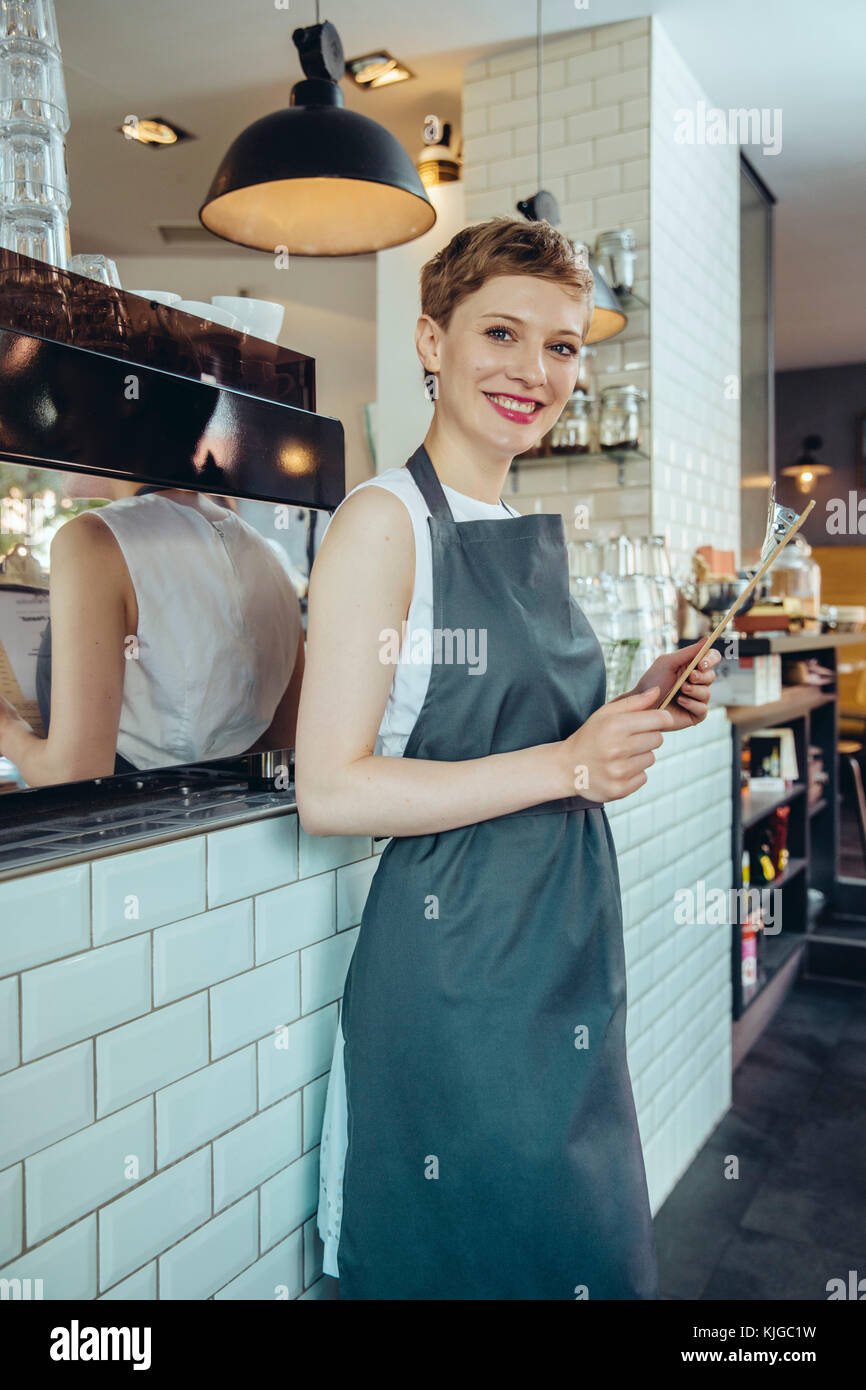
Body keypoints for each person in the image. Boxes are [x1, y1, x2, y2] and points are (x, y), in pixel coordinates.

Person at [294, 216, 721, 1300]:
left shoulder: (511, 516)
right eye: (501, 333)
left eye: (564, 345)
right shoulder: (380, 525)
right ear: (430, 341)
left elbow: (526, 741)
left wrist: (636, 703)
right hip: (457, 971)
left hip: (561, 957)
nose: (535, 370)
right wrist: (568, 766)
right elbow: (332, 788)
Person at [0, 473, 304, 787]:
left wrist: (7, 729)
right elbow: (286, 740)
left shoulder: (94, 539)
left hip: (127, 824)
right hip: (237, 823)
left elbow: (73, 773)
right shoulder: (268, 555)